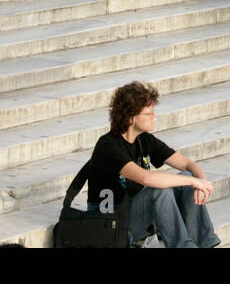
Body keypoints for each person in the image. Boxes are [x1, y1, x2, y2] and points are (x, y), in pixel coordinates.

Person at [85, 81, 219, 248]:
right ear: (131, 118)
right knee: (159, 191)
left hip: (132, 214)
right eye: (149, 113)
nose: (154, 116)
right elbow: (148, 179)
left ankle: (206, 244)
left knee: (186, 178)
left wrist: (201, 183)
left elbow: (187, 164)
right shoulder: (108, 146)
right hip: (109, 224)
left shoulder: (144, 140)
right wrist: (194, 181)